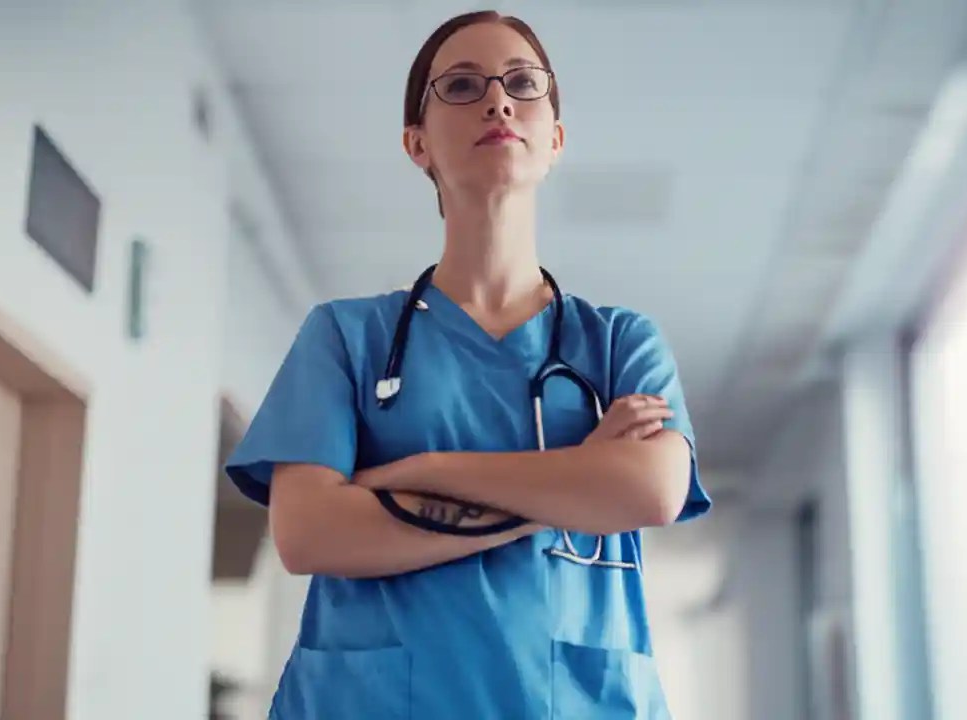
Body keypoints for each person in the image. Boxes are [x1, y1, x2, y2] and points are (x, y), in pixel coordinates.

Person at [225, 10, 711, 719]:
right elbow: (309, 533)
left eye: (523, 83)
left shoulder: (618, 344)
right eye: (460, 85)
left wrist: (421, 473)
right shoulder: (346, 337)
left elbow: (651, 491)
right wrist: (567, 488)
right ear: (415, 143)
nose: (498, 100)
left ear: (555, 139)